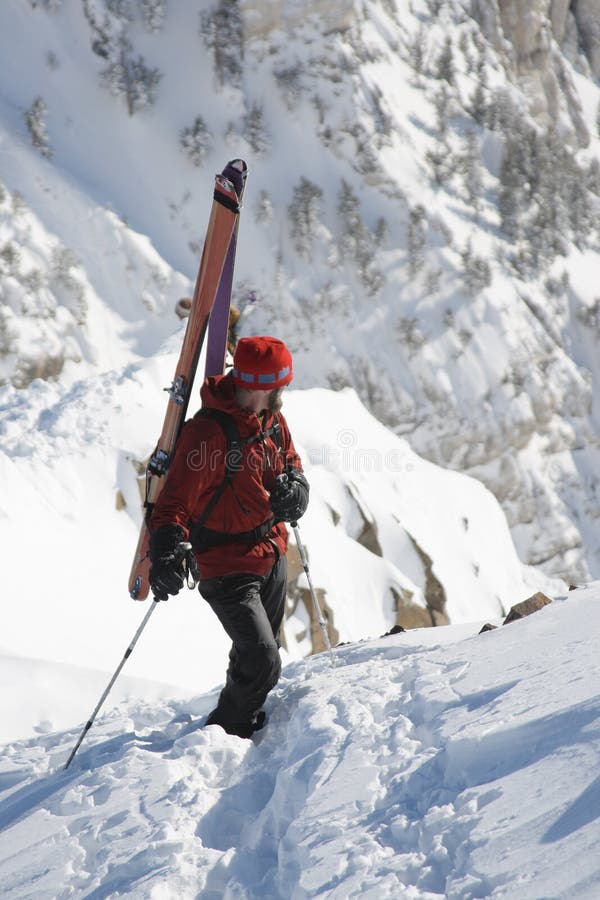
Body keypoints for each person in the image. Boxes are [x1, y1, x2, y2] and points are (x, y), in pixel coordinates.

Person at [148, 336, 309, 738]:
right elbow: (173, 505)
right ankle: (228, 732)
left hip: (270, 554)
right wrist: (167, 550)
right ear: (261, 386)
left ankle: (240, 721)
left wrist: (296, 489)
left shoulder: (273, 422)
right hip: (226, 566)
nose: (283, 391)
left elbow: (291, 462)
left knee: (254, 655)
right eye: (280, 384)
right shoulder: (208, 434)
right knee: (263, 660)